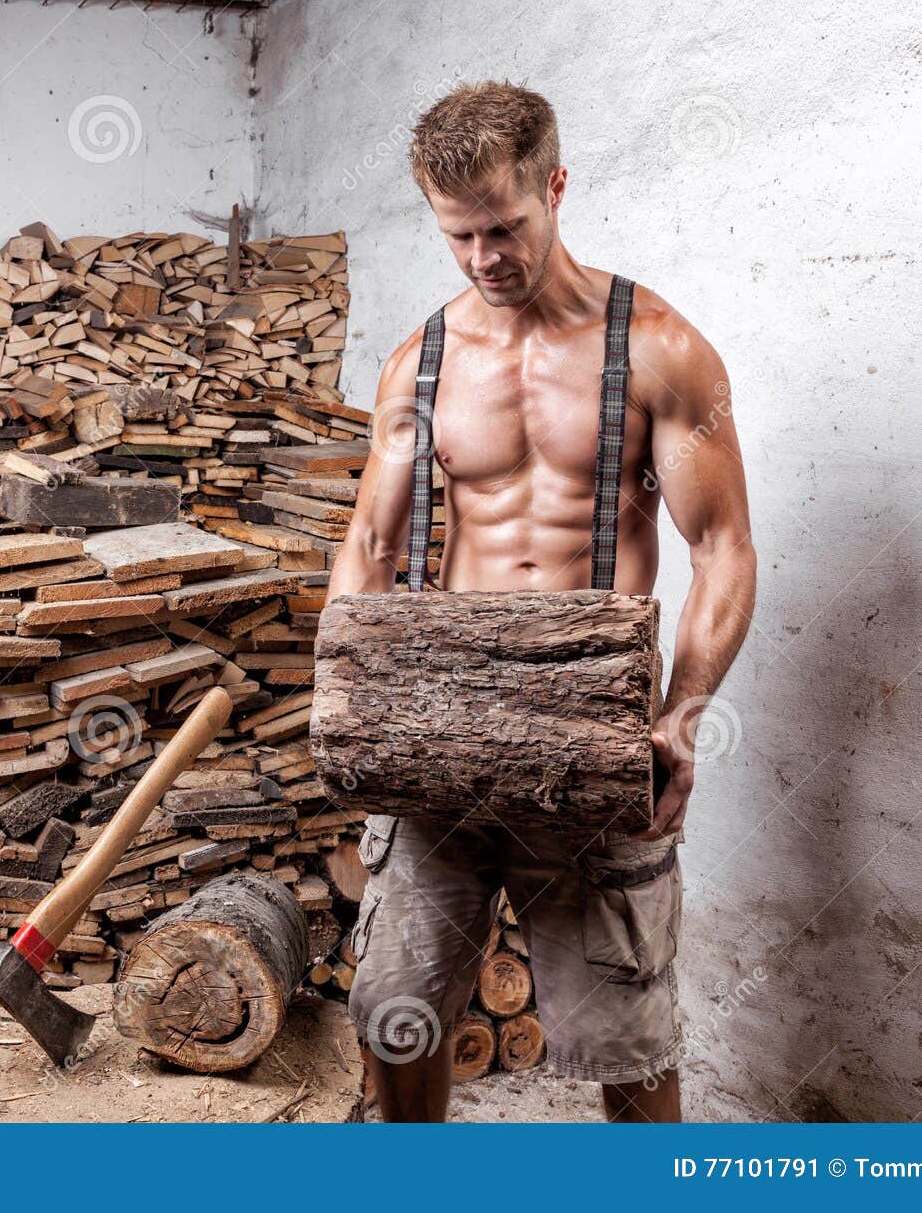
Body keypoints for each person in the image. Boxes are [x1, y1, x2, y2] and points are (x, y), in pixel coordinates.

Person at [324, 79, 757, 1123]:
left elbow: (725, 547)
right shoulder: (416, 366)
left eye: (505, 227)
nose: (485, 259)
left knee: (628, 1037)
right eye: (459, 236)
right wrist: (346, 703)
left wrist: (682, 716)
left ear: (554, 187)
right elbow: (372, 543)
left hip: (594, 736)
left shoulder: (660, 349)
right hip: (444, 730)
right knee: (395, 1008)